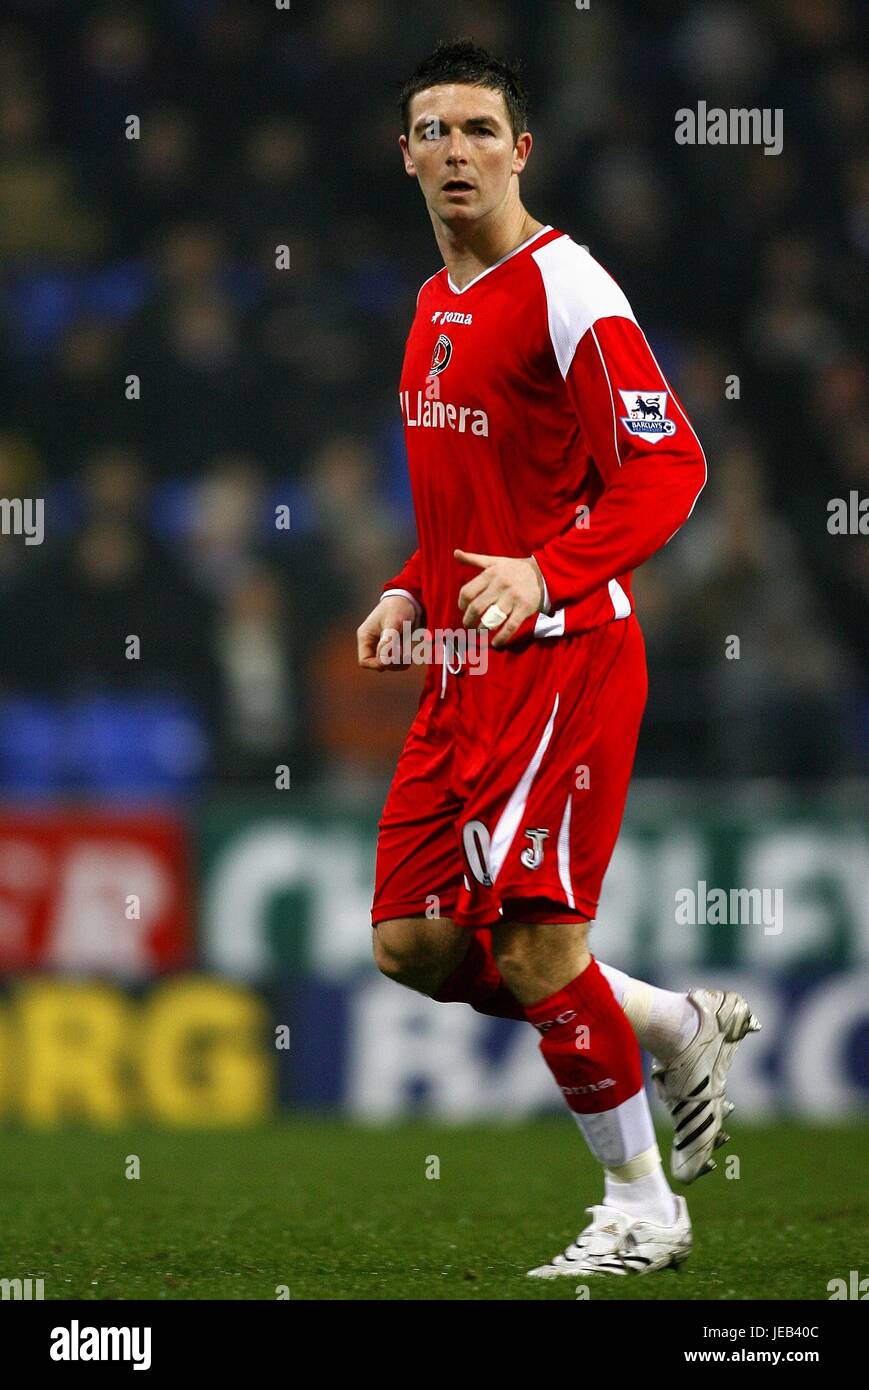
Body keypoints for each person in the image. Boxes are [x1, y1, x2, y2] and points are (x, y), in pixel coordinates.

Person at [357, 39, 759, 1279]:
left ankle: (642, 1208)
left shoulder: (566, 287)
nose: (454, 150)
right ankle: (671, 1021)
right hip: (463, 669)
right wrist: (402, 587)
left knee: (534, 945)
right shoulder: (432, 307)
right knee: (414, 941)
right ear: (407, 155)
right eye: (433, 130)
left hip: (568, 657)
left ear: (520, 150)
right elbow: (467, 510)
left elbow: (669, 463)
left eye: (479, 129)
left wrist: (549, 570)